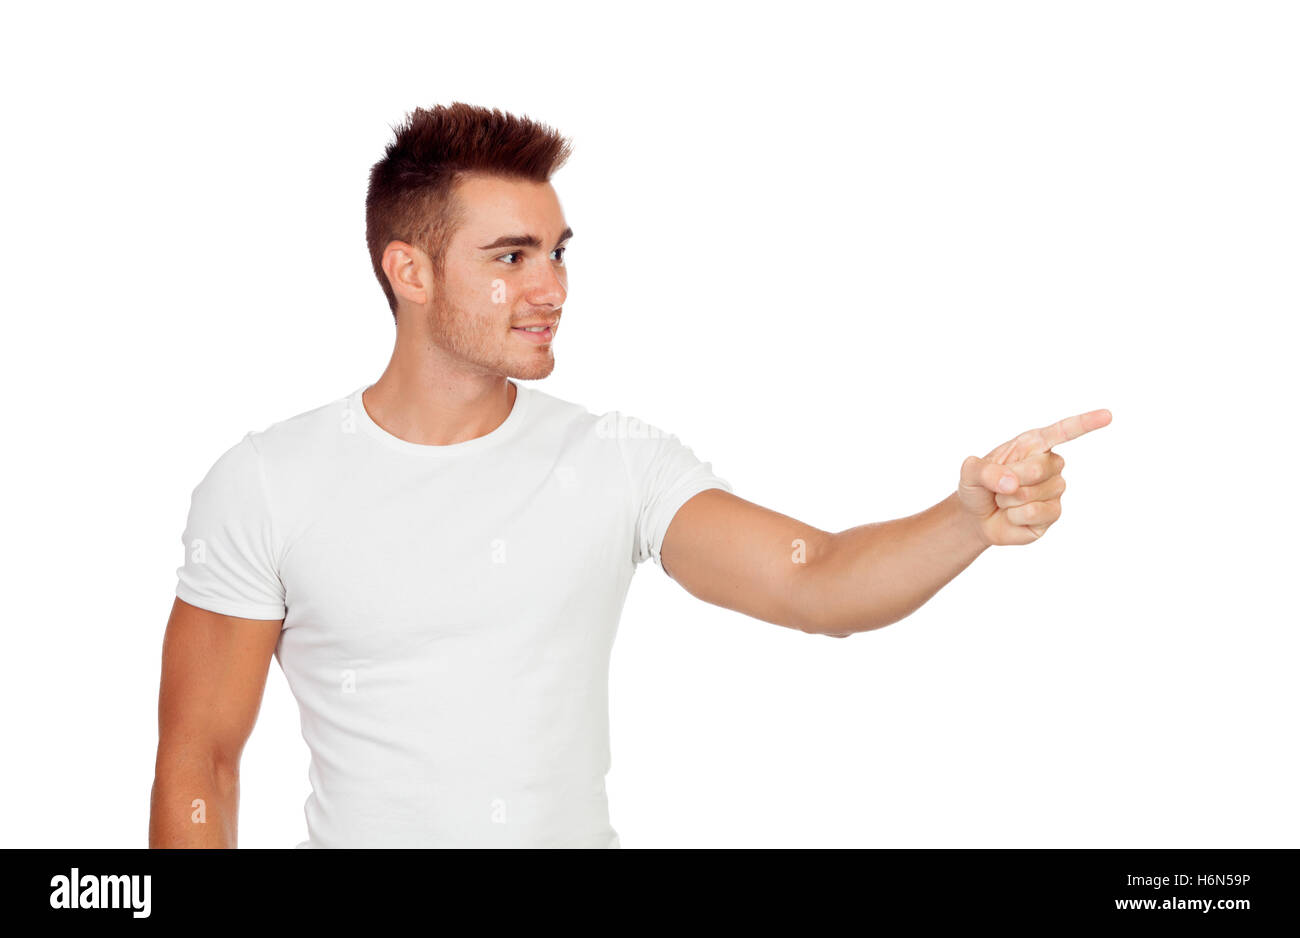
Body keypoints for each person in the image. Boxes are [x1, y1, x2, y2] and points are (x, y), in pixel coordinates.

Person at [149, 101, 1111, 848]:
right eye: (511, 256)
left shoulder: (612, 459)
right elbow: (202, 762)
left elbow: (815, 580)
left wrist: (964, 516)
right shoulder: (268, 481)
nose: (551, 289)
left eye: (558, 253)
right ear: (410, 270)